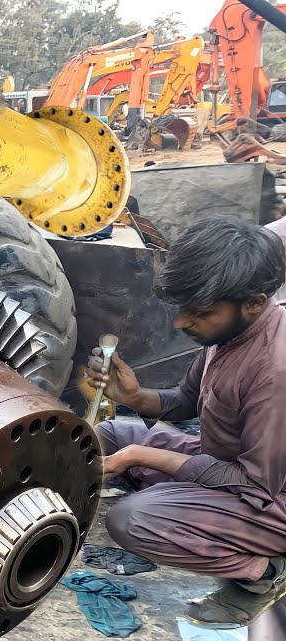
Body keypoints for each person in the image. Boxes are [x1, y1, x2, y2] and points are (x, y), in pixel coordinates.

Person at [88, 216, 286, 628]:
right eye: (181, 310)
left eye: (198, 313)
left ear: (254, 302)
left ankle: (265, 574)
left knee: (132, 519)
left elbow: (253, 484)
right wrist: (135, 398)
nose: (180, 324)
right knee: (102, 435)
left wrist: (146, 457)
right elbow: (188, 400)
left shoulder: (275, 371)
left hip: (267, 497)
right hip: (223, 459)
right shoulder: (229, 334)